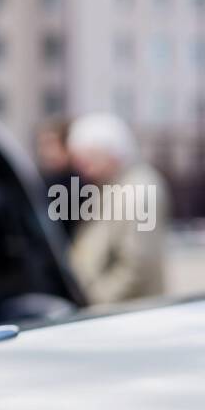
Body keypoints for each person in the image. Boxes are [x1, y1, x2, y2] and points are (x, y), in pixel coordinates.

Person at [65, 113, 169, 304]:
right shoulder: (112, 186)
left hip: (127, 317)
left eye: (87, 156)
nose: (80, 166)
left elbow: (138, 264)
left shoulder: (138, 189)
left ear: (111, 151)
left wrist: (95, 303)